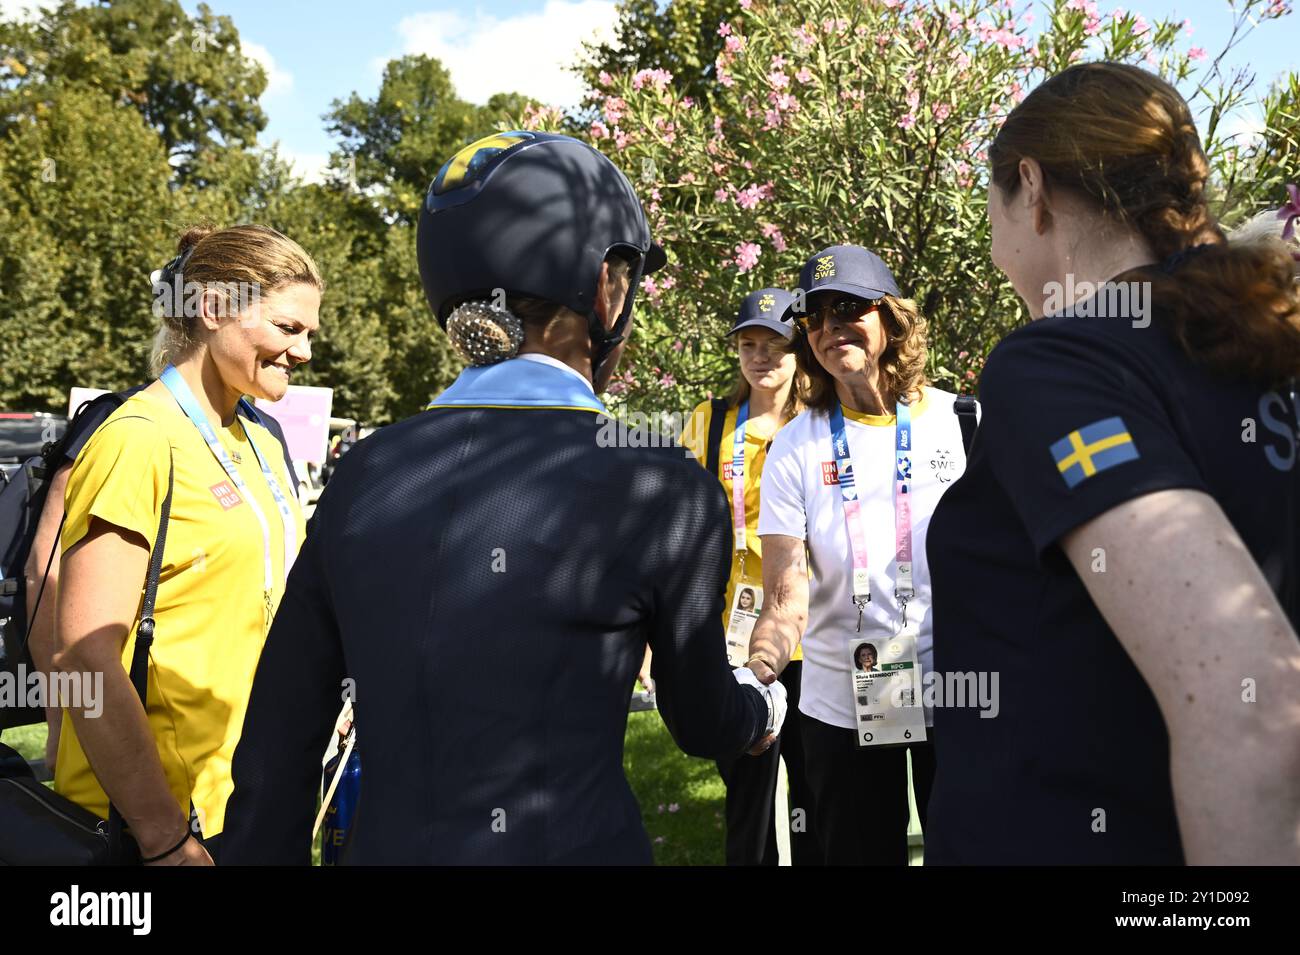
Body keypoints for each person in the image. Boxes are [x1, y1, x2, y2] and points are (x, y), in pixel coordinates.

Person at [219, 130, 787, 865]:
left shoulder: (364, 472)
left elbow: (279, 742)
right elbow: (703, 719)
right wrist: (759, 707)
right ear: (606, 289)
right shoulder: (664, 486)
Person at [924, 63, 1300, 864]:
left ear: (1031, 187)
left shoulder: (1059, 361)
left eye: (989, 207)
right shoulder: (1248, 352)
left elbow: (1255, 701)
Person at [50, 224, 319, 865]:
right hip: (153, 827)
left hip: (244, 800)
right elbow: (84, 662)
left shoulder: (262, 436)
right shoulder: (138, 439)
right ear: (213, 309)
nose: (304, 351)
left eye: (310, 333)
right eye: (287, 328)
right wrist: (162, 834)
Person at [747, 245, 969, 866]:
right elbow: (785, 597)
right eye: (814, 317)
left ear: (891, 320)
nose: (829, 327)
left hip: (952, 690)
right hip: (839, 701)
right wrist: (760, 664)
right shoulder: (793, 447)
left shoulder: (962, 422)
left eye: (849, 308)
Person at [678, 287, 820, 867]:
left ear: (798, 351)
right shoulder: (709, 423)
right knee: (748, 797)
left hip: (814, 640)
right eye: (749, 344)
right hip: (733, 640)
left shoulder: (820, 422)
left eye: (776, 345)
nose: (762, 357)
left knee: (817, 795)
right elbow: (683, 526)